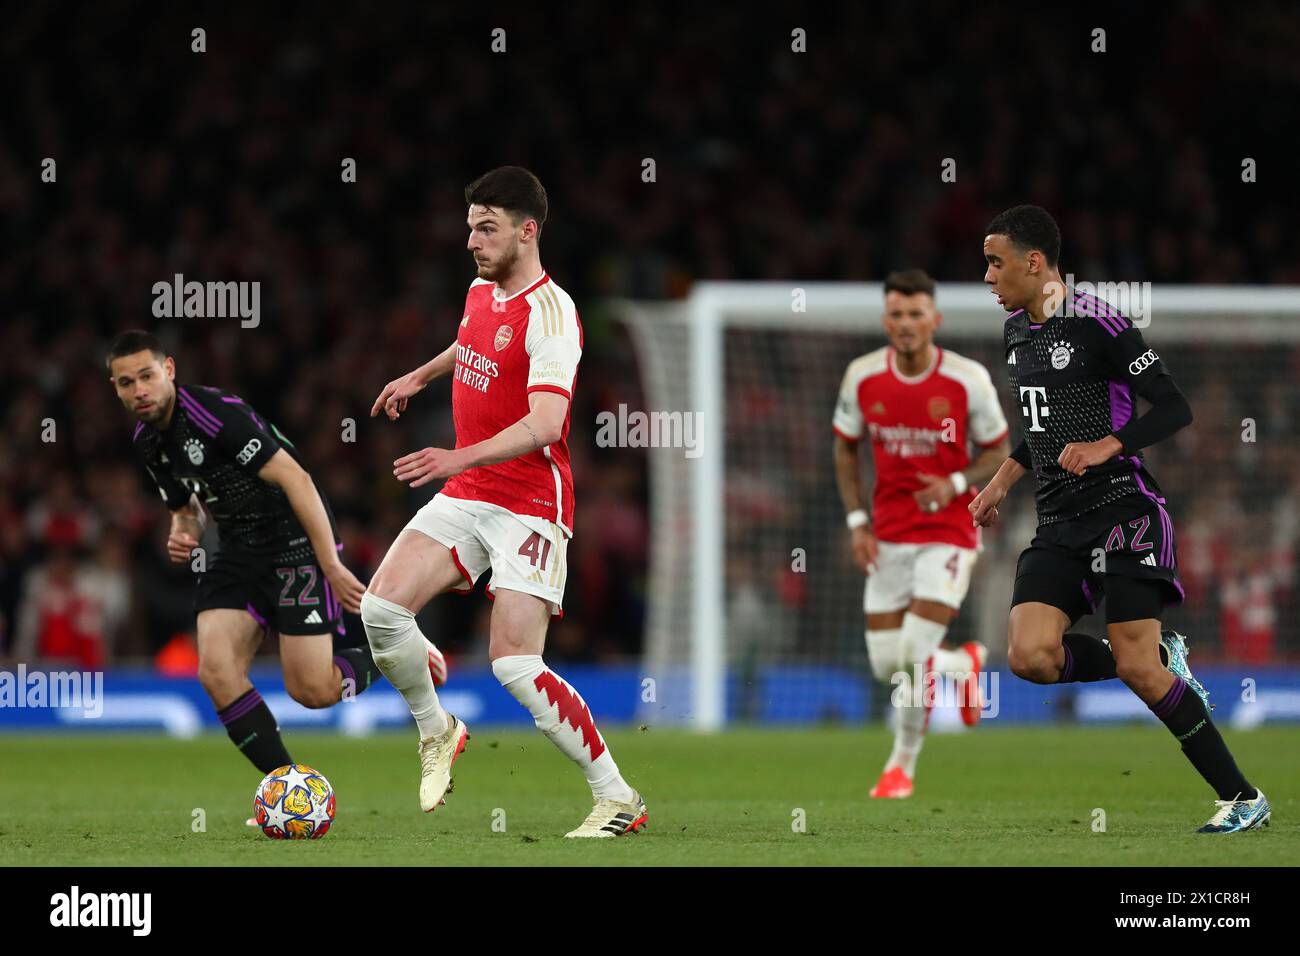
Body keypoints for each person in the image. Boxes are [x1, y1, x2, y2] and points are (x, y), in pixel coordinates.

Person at [363, 166, 646, 838]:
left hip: (529, 504)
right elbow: (475, 342)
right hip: (470, 492)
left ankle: (619, 798)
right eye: (469, 227)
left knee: (515, 662)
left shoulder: (556, 315)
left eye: (486, 228)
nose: (472, 241)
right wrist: (421, 375)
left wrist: (455, 456)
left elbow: (547, 424)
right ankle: (438, 729)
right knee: (380, 611)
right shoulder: (480, 290)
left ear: (528, 231)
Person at [972, 205, 1269, 833]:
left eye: (996, 262)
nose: (988, 276)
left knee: (1140, 673)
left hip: (1123, 513)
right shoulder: (1016, 333)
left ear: (1034, 262)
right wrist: (1002, 479)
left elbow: (1174, 407)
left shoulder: (1098, 320)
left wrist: (1111, 444)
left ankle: (1242, 797)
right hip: (1058, 522)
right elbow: (1042, 427)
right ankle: (1157, 654)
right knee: (1030, 657)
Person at [110, 331, 447, 789]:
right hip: (238, 550)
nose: (139, 391)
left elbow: (298, 480)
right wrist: (183, 532)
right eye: (126, 383)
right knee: (215, 670)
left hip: (296, 544)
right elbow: (185, 505)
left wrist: (328, 564)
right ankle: (287, 785)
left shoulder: (213, 414)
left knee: (312, 690)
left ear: (168, 370)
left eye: (146, 376)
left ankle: (402, 654)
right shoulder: (148, 439)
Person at [833, 269, 1010, 798]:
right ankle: (964, 662)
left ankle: (900, 768)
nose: (906, 323)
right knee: (886, 663)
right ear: (885, 319)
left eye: (916, 314)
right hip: (888, 535)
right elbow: (845, 446)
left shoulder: (966, 379)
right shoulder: (863, 377)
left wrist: (955, 480)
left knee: (912, 656)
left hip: (949, 533)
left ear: (935, 319)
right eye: (896, 314)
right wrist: (857, 521)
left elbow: (1000, 451)